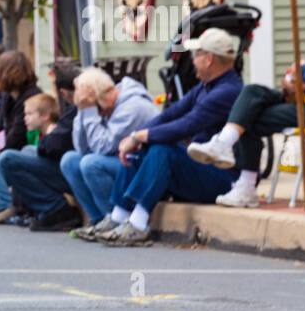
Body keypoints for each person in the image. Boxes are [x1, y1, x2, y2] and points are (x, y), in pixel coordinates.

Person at [186, 0, 305, 207]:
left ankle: (243, 177)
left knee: (250, 119)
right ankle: (226, 145)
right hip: (300, 97)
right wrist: (294, 77)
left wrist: (303, 71)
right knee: (251, 93)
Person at [96, 28, 244, 246]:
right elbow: (171, 114)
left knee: (161, 149)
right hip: (203, 166)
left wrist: (140, 136)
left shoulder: (227, 91)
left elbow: (187, 125)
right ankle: (118, 216)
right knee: (147, 145)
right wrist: (135, 137)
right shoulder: (206, 87)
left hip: (224, 178)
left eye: (197, 56)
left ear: (209, 59)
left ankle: (138, 223)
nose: (193, 61)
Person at [61, 67, 161, 237]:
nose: (99, 113)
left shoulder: (133, 106)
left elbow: (102, 147)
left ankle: (115, 220)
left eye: (96, 107)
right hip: (119, 163)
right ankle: (98, 220)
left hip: (141, 167)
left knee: (90, 164)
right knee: (69, 160)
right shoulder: (105, 102)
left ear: (99, 96)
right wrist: (83, 111)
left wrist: (89, 111)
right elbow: (81, 147)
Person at [0, 91, 83, 231]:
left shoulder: (51, 128)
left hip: (64, 173)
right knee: (24, 150)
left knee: (4, 158)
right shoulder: (34, 130)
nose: (25, 118)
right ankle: (2, 207)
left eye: (29, 114)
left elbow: (9, 142)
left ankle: (54, 207)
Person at [0, 50, 42, 224]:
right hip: (4, 151)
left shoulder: (30, 97)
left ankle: (3, 205)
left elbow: (12, 141)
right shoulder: (8, 97)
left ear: (9, 73)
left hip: (17, 156)